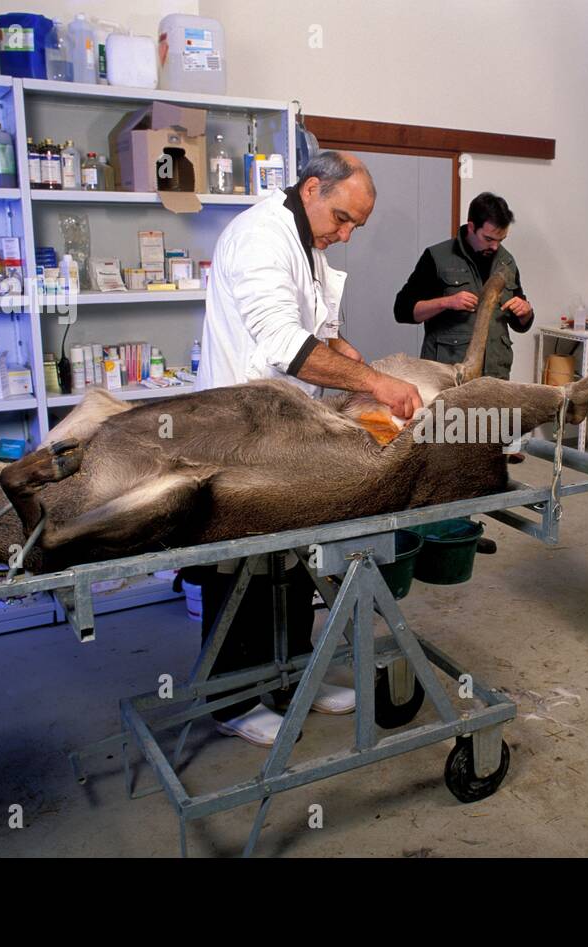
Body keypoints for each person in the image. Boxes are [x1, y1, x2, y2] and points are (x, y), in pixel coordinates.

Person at [192, 151, 423, 747]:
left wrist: (360, 362)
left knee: (293, 557)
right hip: (241, 430)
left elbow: (318, 331)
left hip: (287, 426)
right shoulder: (261, 238)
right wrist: (375, 384)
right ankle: (233, 701)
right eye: (342, 219)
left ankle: (295, 677)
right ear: (313, 187)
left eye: (355, 229)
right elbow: (281, 344)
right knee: (239, 564)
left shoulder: (308, 241)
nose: (344, 235)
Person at [394, 192, 535, 554]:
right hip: (447, 379)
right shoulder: (437, 257)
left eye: (500, 239)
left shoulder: (506, 261)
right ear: (470, 227)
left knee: (480, 459)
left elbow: (520, 324)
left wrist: (525, 312)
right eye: (488, 238)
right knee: (442, 458)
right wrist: (446, 302)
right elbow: (403, 310)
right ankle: (429, 534)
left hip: (494, 378)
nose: (494, 246)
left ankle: (464, 533)